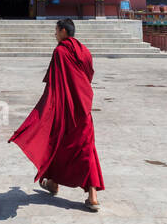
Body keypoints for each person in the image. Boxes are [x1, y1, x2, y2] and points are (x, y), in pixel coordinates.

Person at [8, 17, 105, 211]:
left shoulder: (61, 51)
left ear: (63, 31)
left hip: (66, 108)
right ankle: (82, 192)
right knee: (86, 148)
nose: (54, 34)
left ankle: (70, 188)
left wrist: (44, 110)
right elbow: (88, 75)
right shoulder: (85, 51)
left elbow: (55, 84)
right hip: (83, 107)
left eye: (56, 30)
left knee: (57, 142)